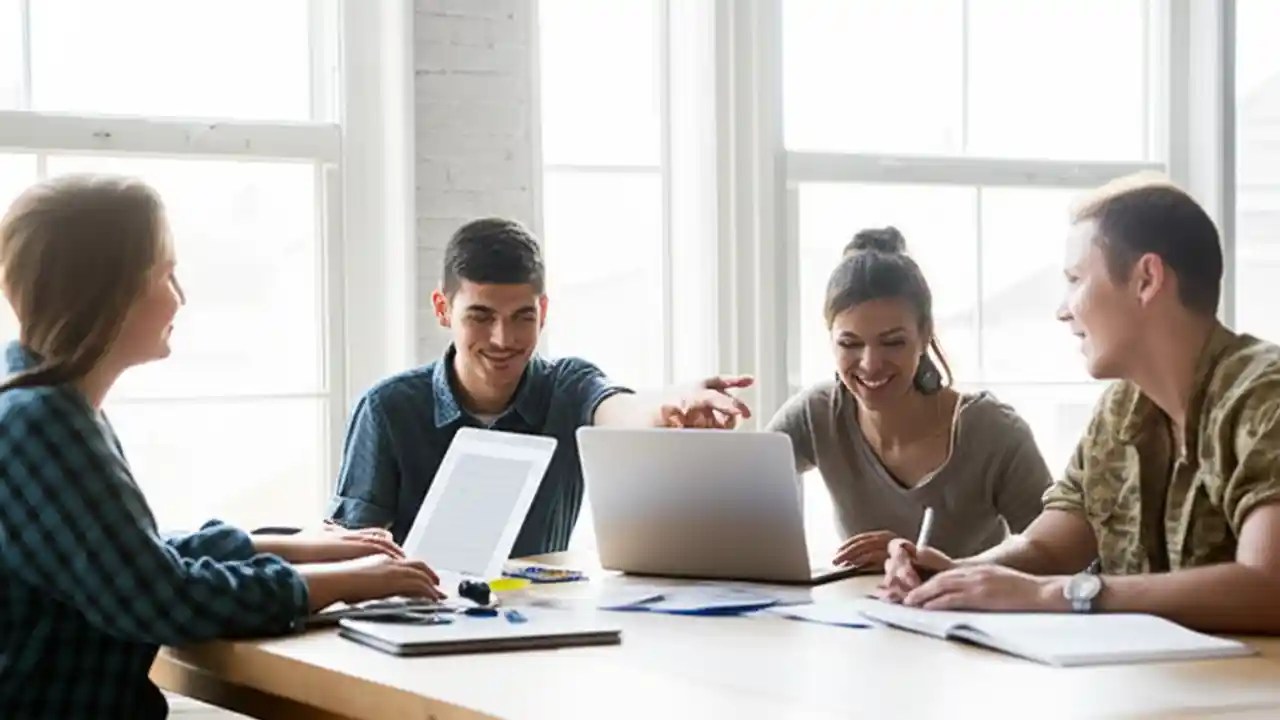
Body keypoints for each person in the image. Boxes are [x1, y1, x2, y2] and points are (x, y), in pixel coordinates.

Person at [0, 175, 442, 718]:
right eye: (165, 274)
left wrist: (290, 547)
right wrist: (341, 584)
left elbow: (134, 555)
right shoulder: (42, 425)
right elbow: (160, 599)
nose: (180, 297)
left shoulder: (46, 410)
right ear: (109, 294)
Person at [879, 173, 1280, 633]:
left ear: (1147, 279)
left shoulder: (1265, 397)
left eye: (1075, 279)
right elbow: (1047, 549)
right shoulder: (1118, 411)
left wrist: (1057, 594)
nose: (1063, 309)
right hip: (1155, 677)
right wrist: (955, 575)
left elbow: (1270, 585)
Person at [327, 217, 753, 555]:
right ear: (443, 309)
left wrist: (668, 407)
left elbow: (619, 409)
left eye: (523, 317)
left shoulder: (567, 387)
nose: (503, 339)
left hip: (544, 621)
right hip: (424, 618)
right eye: (480, 316)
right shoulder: (386, 409)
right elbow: (351, 548)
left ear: (543, 311)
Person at [767, 227, 1051, 569]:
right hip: (860, 603)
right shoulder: (817, 414)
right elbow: (732, 496)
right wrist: (704, 435)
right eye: (850, 344)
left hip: (968, 604)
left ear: (925, 335)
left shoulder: (994, 431)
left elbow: (1058, 556)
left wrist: (933, 567)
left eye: (893, 342)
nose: (870, 364)